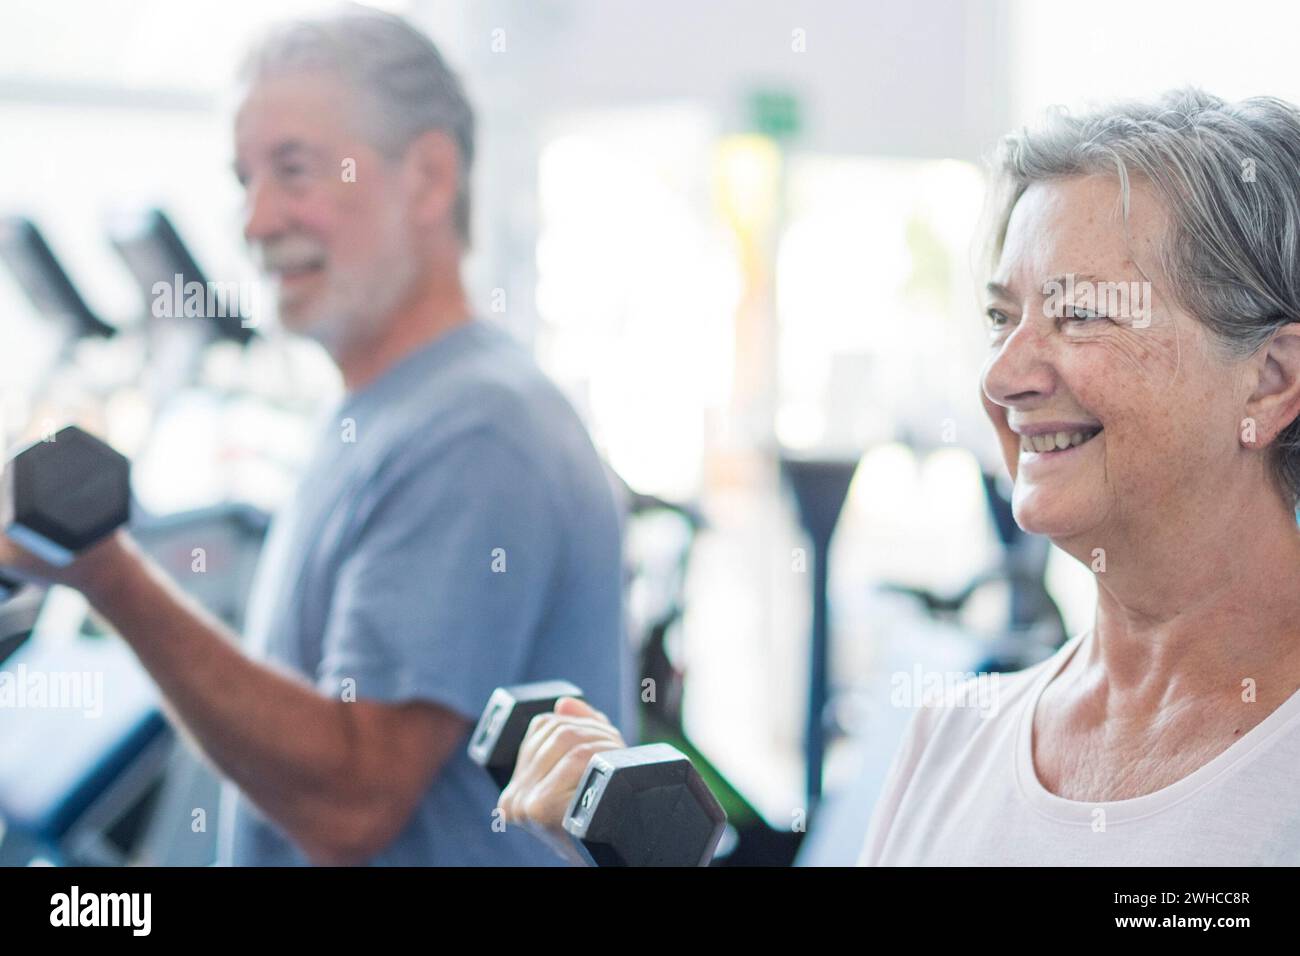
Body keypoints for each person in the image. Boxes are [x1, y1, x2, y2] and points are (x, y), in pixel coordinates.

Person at [497, 88, 1300, 865]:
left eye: (1081, 314)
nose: (1003, 375)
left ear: (1268, 380)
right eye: (999, 318)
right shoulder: (953, 735)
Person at [0, 5, 630, 866]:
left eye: (294, 172)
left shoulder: (476, 430)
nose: (255, 222)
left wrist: (108, 576)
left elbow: (350, 803)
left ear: (429, 178)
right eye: (244, 180)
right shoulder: (385, 407)